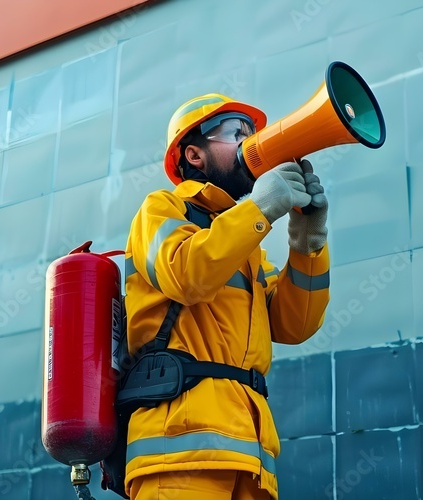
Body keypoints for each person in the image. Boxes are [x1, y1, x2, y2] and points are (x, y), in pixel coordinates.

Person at [121, 93, 331, 499]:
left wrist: (307, 242)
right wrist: (261, 208)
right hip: (177, 456)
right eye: (237, 133)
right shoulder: (162, 209)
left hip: (250, 459)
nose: (252, 143)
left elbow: (295, 325)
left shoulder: (246, 241)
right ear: (195, 155)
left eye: (253, 133)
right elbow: (187, 275)